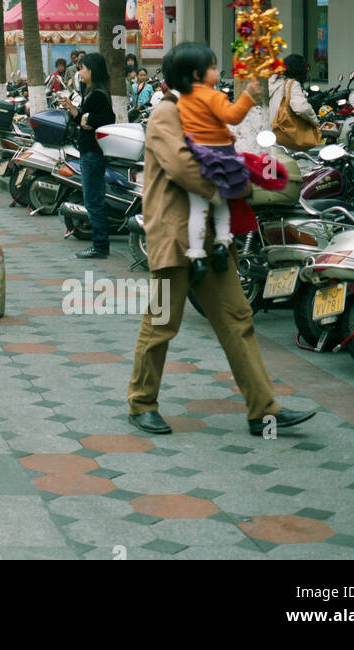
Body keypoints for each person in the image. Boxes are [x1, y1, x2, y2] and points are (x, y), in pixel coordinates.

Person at [127, 43, 316, 437]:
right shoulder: (166, 114)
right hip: (176, 238)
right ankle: (142, 402)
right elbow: (183, 168)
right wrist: (233, 183)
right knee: (161, 323)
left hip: (213, 239)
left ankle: (263, 408)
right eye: (211, 69)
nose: (218, 75)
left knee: (238, 320)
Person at [171, 44, 259, 281]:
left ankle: (197, 256)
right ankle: (222, 243)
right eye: (212, 67)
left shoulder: (183, 100)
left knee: (198, 208)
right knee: (222, 203)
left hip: (196, 158)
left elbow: (195, 127)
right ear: (198, 74)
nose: (217, 71)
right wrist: (248, 97)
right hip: (221, 157)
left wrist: (221, 133)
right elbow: (233, 116)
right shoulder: (213, 96)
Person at [57, 52, 117, 260]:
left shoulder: (99, 93)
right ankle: (99, 244)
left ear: (92, 70)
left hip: (93, 153)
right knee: (92, 199)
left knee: (93, 200)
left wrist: (88, 121)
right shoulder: (92, 91)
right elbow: (83, 119)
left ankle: (100, 246)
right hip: (89, 152)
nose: (80, 72)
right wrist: (74, 110)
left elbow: (108, 119)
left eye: (83, 68)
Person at [268, 54, 319, 149]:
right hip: (288, 135)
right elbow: (302, 108)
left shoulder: (275, 83)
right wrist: (315, 121)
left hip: (275, 132)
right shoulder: (292, 85)